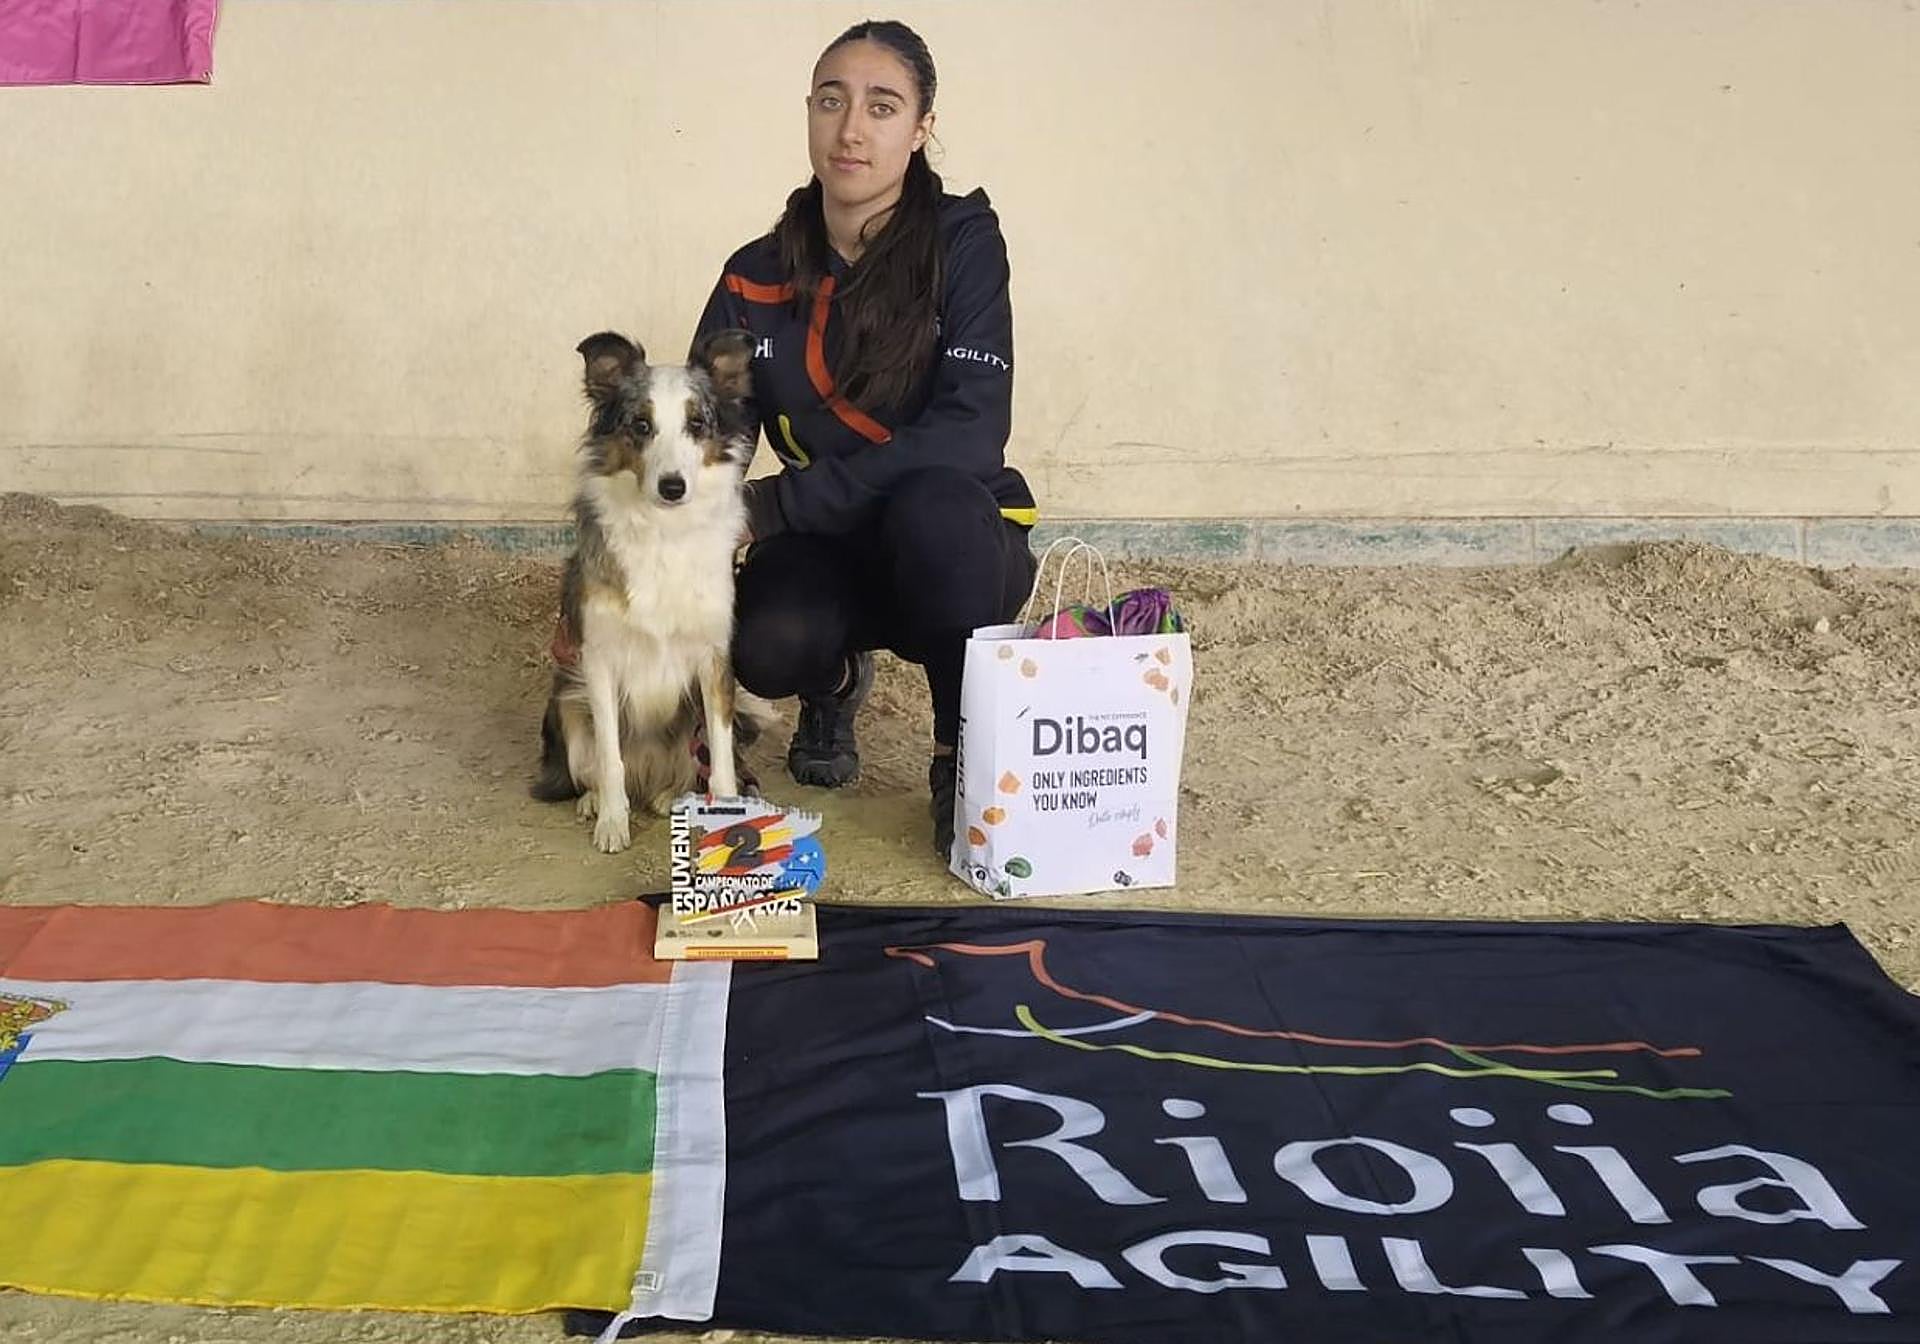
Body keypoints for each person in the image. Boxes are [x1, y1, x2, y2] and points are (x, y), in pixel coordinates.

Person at [690, 18, 1038, 856]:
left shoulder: (963, 244)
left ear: (920, 130)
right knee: (767, 644)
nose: (851, 129)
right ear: (808, 112)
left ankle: (961, 756)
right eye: (831, 101)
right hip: (826, 546)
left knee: (939, 511)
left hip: (959, 544)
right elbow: (701, 442)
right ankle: (833, 680)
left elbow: (971, 435)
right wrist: (635, 543)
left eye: (882, 107)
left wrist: (772, 505)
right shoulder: (754, 273)